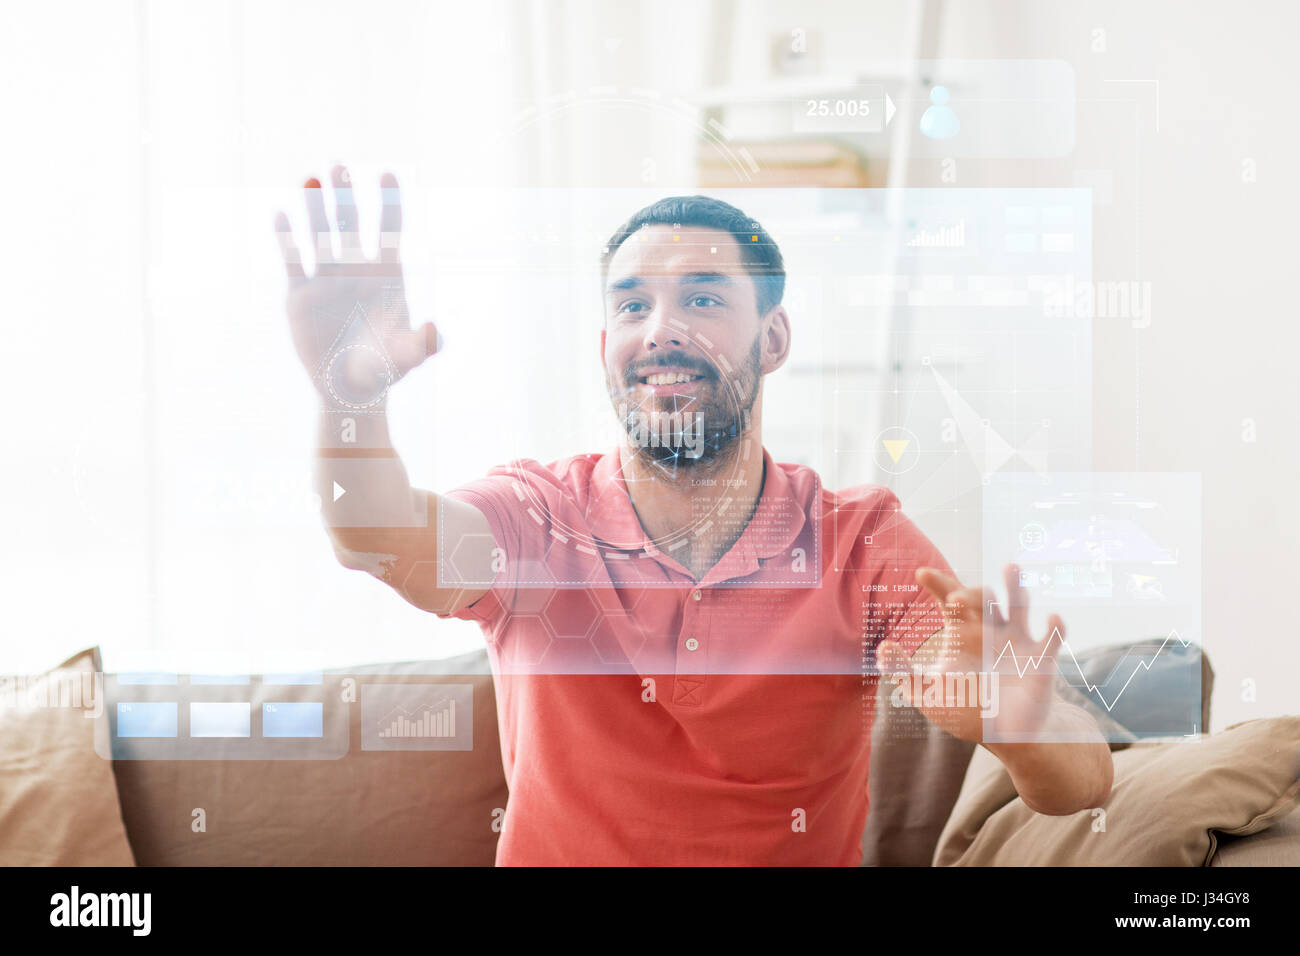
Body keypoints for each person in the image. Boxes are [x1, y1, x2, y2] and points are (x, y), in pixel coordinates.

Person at [273, 166, 1113, 866]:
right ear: (605, 346)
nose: (661, 329)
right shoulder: (537, 514)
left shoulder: (859, 539)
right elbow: (375, 535)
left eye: (704, 300)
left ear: (773, 340)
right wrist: (349, 400)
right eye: (632, 306)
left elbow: (1081, 783)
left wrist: (1023, 724)